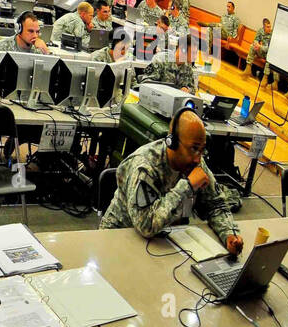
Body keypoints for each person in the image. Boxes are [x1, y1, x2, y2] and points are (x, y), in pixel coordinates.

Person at [100, 108, 242, 255]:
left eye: (202, 150)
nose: (198, 159)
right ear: (172, 142)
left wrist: (229, 234)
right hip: (119, 239)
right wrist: (187, 186)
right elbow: (146, 225)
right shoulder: (145, 167)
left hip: (163, 242)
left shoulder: (195, 163)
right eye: (193, 149)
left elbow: (216, 204)